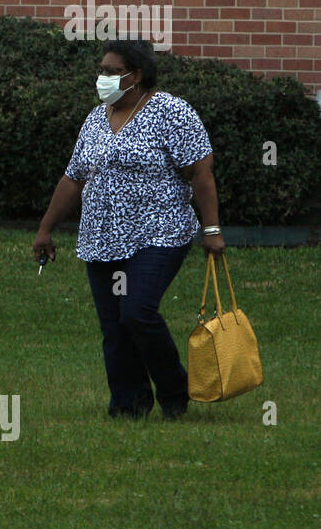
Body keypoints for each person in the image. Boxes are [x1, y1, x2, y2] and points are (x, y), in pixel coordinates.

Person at [33, 38, 226, 420]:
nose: (102, 77)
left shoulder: (171, 111)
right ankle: (128, 404)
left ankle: (174, 391)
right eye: (101, 70)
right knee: (114, 326)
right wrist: (45, 230)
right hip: (102, 238)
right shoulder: (95, 118)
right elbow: (73, 179)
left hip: (160, 232)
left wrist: (212, 229)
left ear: (135, 76)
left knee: (137, 311)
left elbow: (201, 172)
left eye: (111, 71)